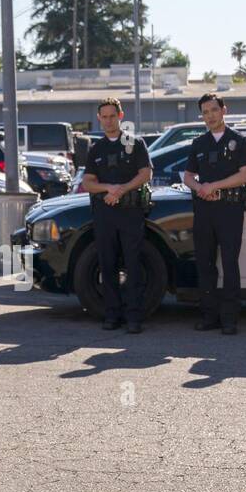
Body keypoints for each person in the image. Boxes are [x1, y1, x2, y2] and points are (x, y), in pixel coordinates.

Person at [182, 94, 246, 334]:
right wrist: (200, 188)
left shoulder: (240, 141)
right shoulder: (198, 144)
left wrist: (214, 186)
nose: (210, 115)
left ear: (224, 110)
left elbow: (245, 175)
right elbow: (188, 177)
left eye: (214, 110)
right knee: (205, 263)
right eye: (205, 112)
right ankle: (209, 316)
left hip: (230, 210)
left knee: (230, 264)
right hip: (204, 210)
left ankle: (230, 318)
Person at [81, 98, 152, 333]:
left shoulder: (134, 143)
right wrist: (108, 189)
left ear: (121, 116)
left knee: (133, 265)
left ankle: (134, 317)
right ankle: (111, 315)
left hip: (131, 213)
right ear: (99, 118)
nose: (109, 121)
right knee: (107, 264)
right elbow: (88, 182)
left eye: (113, 116)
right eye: (104, 117)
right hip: (105, 214)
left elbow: (145, 174)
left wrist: (121, 190)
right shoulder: (96, 149)